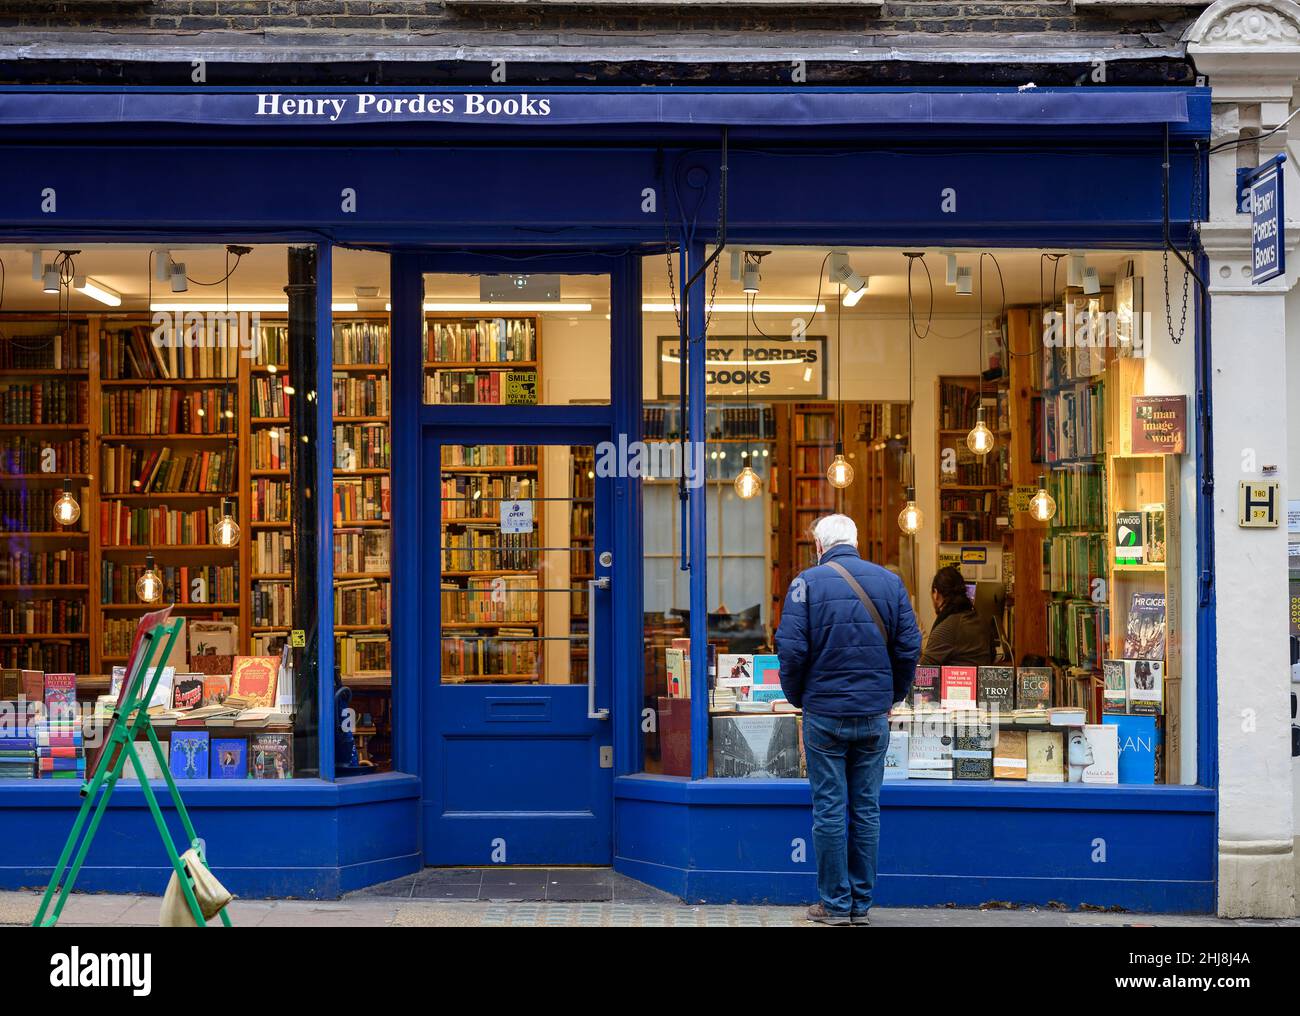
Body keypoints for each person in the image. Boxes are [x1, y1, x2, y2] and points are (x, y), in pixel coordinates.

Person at [775, 513, 921, 926]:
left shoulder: (805, 583)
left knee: (829, 808)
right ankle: (861, 903)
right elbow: (910, 646)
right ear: (855, 542)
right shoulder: (889, 583)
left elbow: (791, 651)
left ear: (819, 547)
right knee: (866, 809)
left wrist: (798, 697)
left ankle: (835, 905)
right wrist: (892, 695)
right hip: (874, 715)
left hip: (824, 715)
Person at [919, 565, 993, 666]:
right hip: (979, 680)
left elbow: (924, 672)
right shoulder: (981, 620)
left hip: (955, 681)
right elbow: (992, 655)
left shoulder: (947, 628)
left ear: (936, 594)